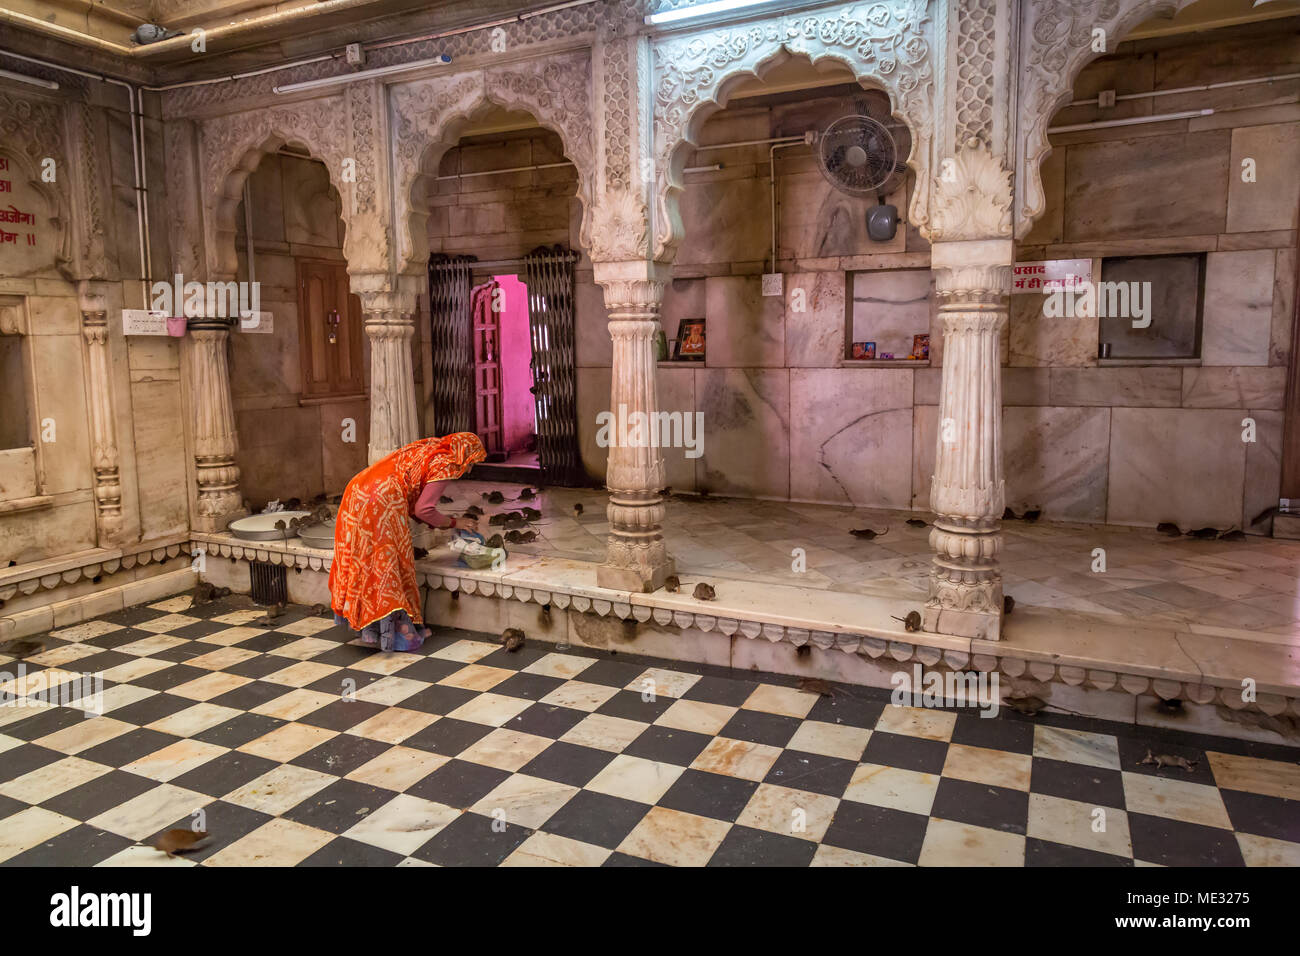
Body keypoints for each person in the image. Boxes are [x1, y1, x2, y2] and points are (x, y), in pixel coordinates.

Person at [329, 432, 486, 652]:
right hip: (382, 499)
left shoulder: (432, 448)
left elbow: (413, 490)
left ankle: (370, 628)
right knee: (388, 564)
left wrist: (438, 523)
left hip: (358, 490)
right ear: (465, 457)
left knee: (365, 559)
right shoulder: (446, 464)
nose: (469, 469)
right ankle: (401, 632)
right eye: (472, 463)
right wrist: (454, 522)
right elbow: (424, 509)